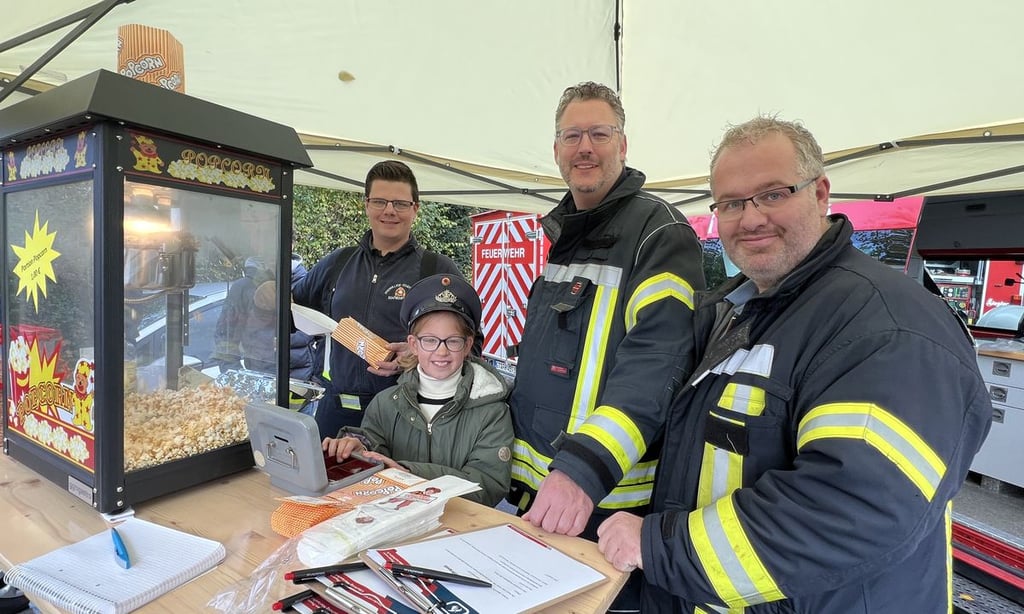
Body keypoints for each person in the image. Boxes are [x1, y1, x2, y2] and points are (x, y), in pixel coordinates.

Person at [595, 115, 993, 613]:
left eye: (773, 194)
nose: (751, 219)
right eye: (731, 203)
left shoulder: (889, 327)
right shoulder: (737, 309)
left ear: (821, 193)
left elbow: (853, 509)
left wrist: (661, 547)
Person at [507, 82, 705, 610]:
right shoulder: (566, 235)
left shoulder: (659, 233)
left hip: (606, 505)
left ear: (623, 144)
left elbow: (656, 366)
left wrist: (581, 471)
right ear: (556, 149)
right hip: (544, 498)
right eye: (572, 136)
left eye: (599, 134)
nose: (585, 148)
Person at [292, 161, 461, 439]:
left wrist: (419, 354)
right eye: (380, 201)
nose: (389, 211)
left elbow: (470, 345)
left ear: (415, 209)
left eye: (400, 204)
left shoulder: (437, 271)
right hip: (336, 413)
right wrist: (266, 288)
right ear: (367, 205)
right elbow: (292, 309)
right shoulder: (338, 263)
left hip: (408, 414)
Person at [322, 274, 513, 507]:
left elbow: (488, 485)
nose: (441, 352)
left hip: (461, 523)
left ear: (468, 346)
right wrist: (359, 450)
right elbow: (374, 450)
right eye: (430, 341)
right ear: (413, 344)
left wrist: (408, 473)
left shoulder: (492, 411)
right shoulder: (385, 404)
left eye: (453, 341)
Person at [212, 256, 274, 372]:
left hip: (302, 377)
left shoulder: (303, 282)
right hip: (263, 374)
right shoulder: (243, 288)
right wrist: (234, 373)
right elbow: (226, 334)